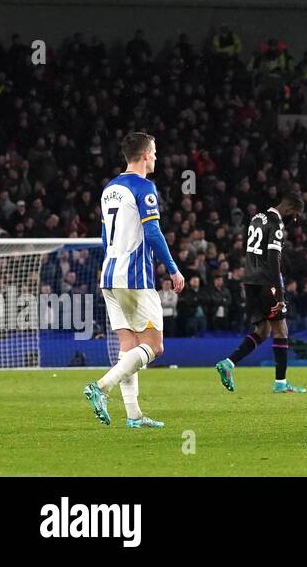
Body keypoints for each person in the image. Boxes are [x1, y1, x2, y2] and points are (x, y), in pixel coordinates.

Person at [83, 132, 185, 429]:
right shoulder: (144, 187)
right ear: (143, 155)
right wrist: (173, 268)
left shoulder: (109, 189)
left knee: (129, 346)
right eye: (154, 152)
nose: (156, 156)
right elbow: (153, 233)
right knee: (154, 346)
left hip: (110, 274)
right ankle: (100, 387)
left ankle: (134, 414)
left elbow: (105, 237)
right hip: (134, 277)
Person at [214, 193, 307, 394]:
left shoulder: (257, 218)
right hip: (267, 282)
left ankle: (228, 363)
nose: (296, 219)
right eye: (297, 215)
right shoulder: (277, 223)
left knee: (263, 331)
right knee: (281, 330)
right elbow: (273, 259)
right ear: (290, 209)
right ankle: (281, 383)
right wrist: (280, 295)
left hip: (250, 281)